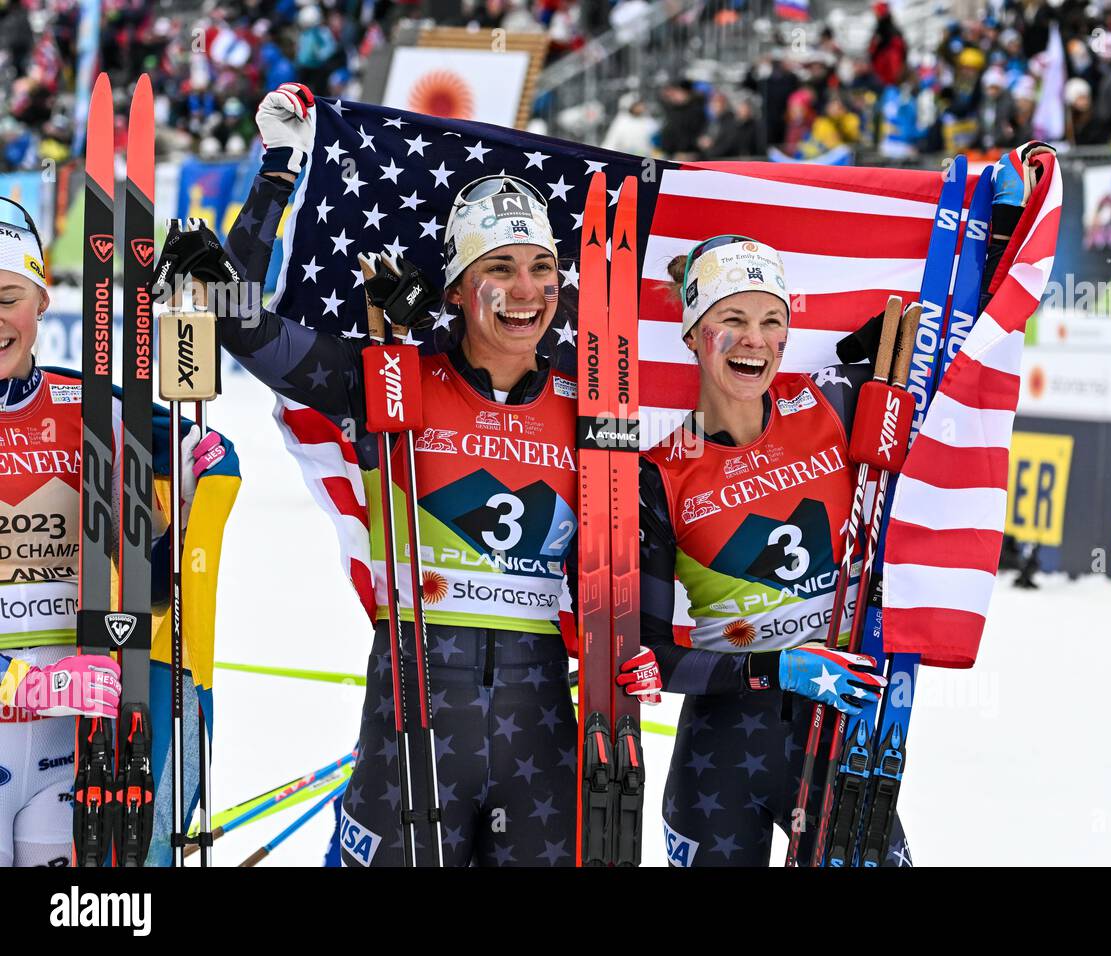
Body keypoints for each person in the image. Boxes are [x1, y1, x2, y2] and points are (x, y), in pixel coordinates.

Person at [164, 83, 659, 867]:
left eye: (541, 267)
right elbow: (237, 319)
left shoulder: (595, 405)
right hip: (412, 729)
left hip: (547, 742)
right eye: (501, 267)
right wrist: (277, 172)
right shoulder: (389, 379)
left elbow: (680, 511)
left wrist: (649, 638)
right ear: (459, 289)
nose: (527, 288)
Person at [639, 235, 910, 868]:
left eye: (771, 321)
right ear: (693, 334)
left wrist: (1005, 215)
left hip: (841, 734)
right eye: (731, 320)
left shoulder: (831, 403)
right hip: (721, 753)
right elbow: (653, 653)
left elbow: (952, 326)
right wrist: (773, 666)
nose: (754, 339)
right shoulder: (661, 471)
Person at [0, 200, 226, 866]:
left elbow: (149, 589)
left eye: (9, 295)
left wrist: (185, 505)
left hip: (78, 747)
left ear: (42, 301)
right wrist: (19, 684)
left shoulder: (90, 409)